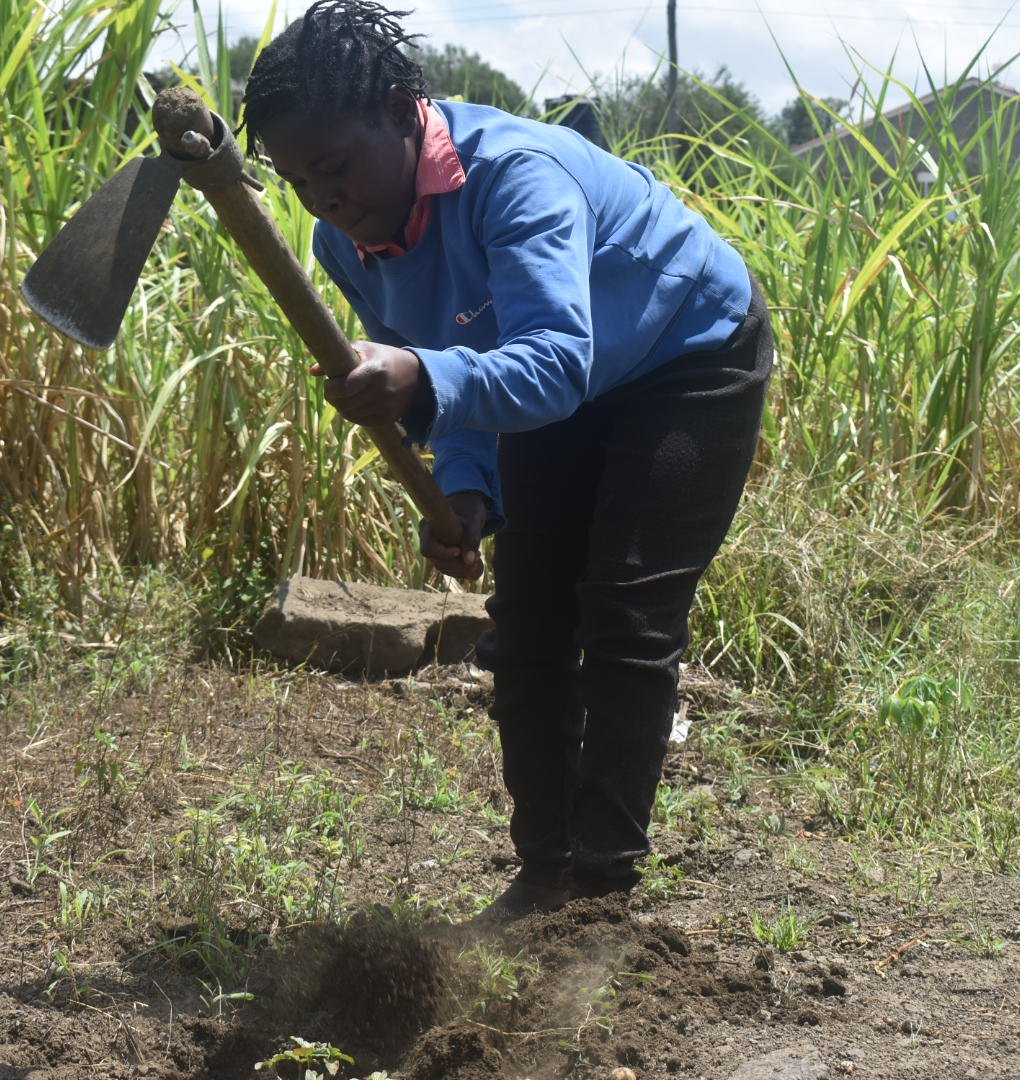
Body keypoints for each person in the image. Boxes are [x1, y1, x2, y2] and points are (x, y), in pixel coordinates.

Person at [242, 0, 774, 920]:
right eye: (295, 180)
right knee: (526, 618)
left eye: (334, 167)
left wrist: (416, 372)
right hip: (550, 374)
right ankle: (541, 875)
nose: (323, 200)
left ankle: (600, 893)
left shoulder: (514, 177)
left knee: (625, 607)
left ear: (405, 114)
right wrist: (464, 491)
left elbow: (546, 362)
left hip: (683, 353)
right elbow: (459, 364)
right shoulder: (345, 240)